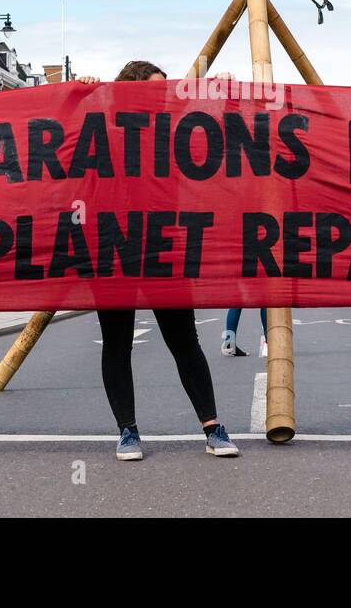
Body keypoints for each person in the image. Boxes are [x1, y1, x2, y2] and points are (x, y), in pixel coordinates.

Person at [77, 61, 238, 461]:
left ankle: (212, 427)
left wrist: (225, 90)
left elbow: (214, 125)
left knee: (184, 339)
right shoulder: (105, 124)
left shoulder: (169, 128)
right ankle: (127, 431)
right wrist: (81, 90)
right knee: (117, 342)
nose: (163, 95)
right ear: (130, 90)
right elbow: (62, 127)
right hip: (112, 244)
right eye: (154, 89)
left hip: (163, 243)